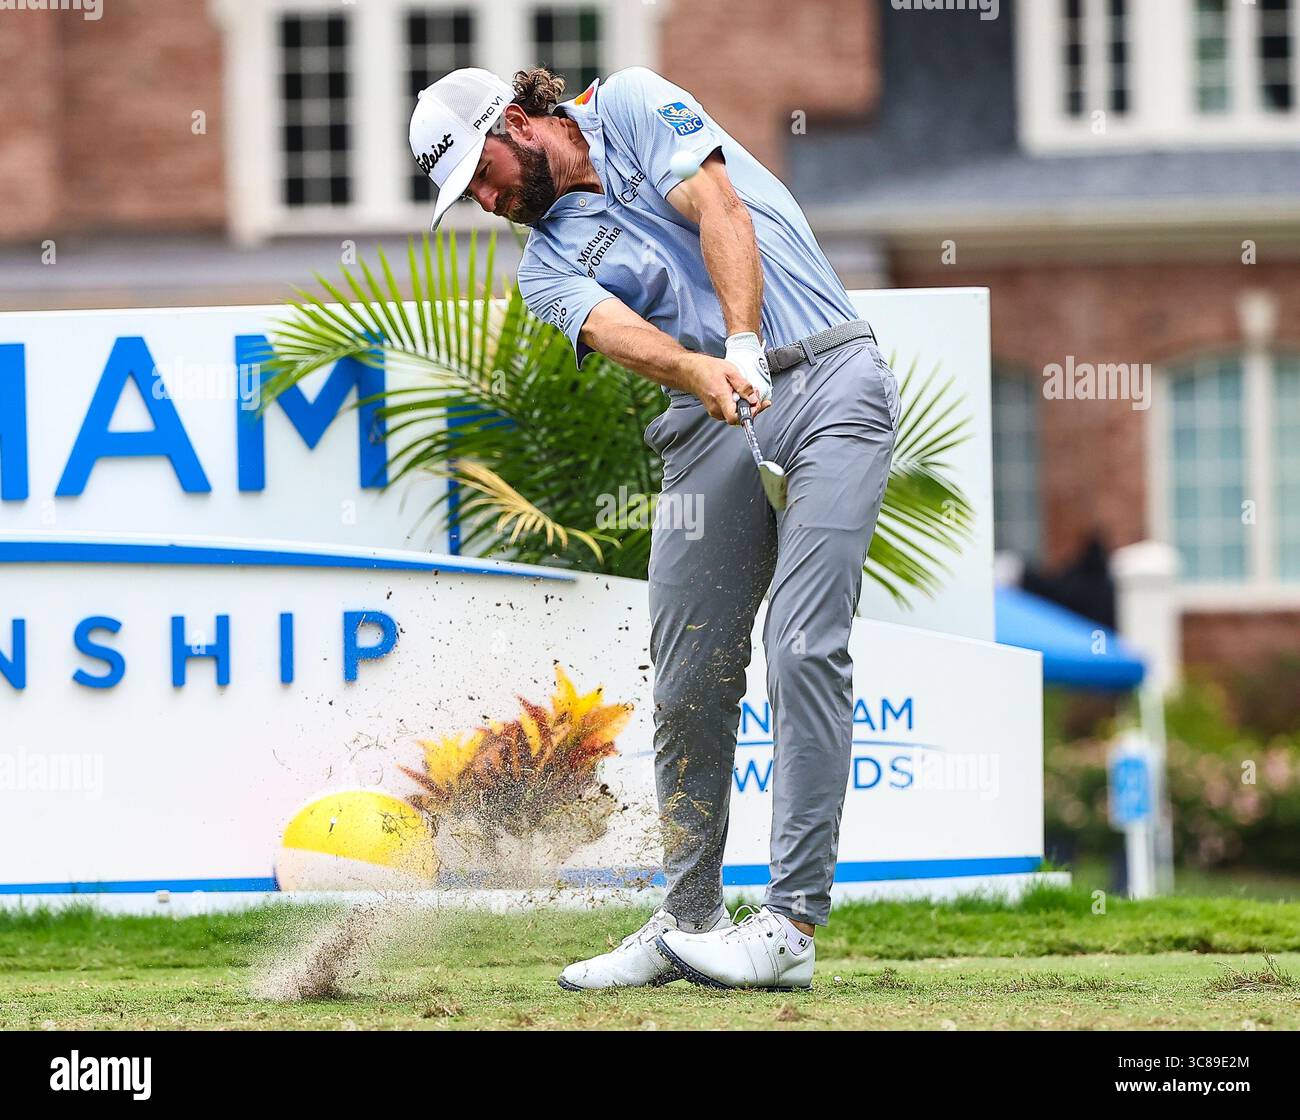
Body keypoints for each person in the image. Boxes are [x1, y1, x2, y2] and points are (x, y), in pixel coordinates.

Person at [409, 65, 899, 991]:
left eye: (483, 172)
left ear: (518, 120)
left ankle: (788, 925)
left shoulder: (631, 103)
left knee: (803, 645)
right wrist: (700, 370)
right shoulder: (544, 268)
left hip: (831, 378)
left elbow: (717, 205)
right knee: (686, 680)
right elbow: (616, 331)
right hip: (708, 423)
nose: (484, 199)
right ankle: (688, 919)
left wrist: (743, 343)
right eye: (467, 193)